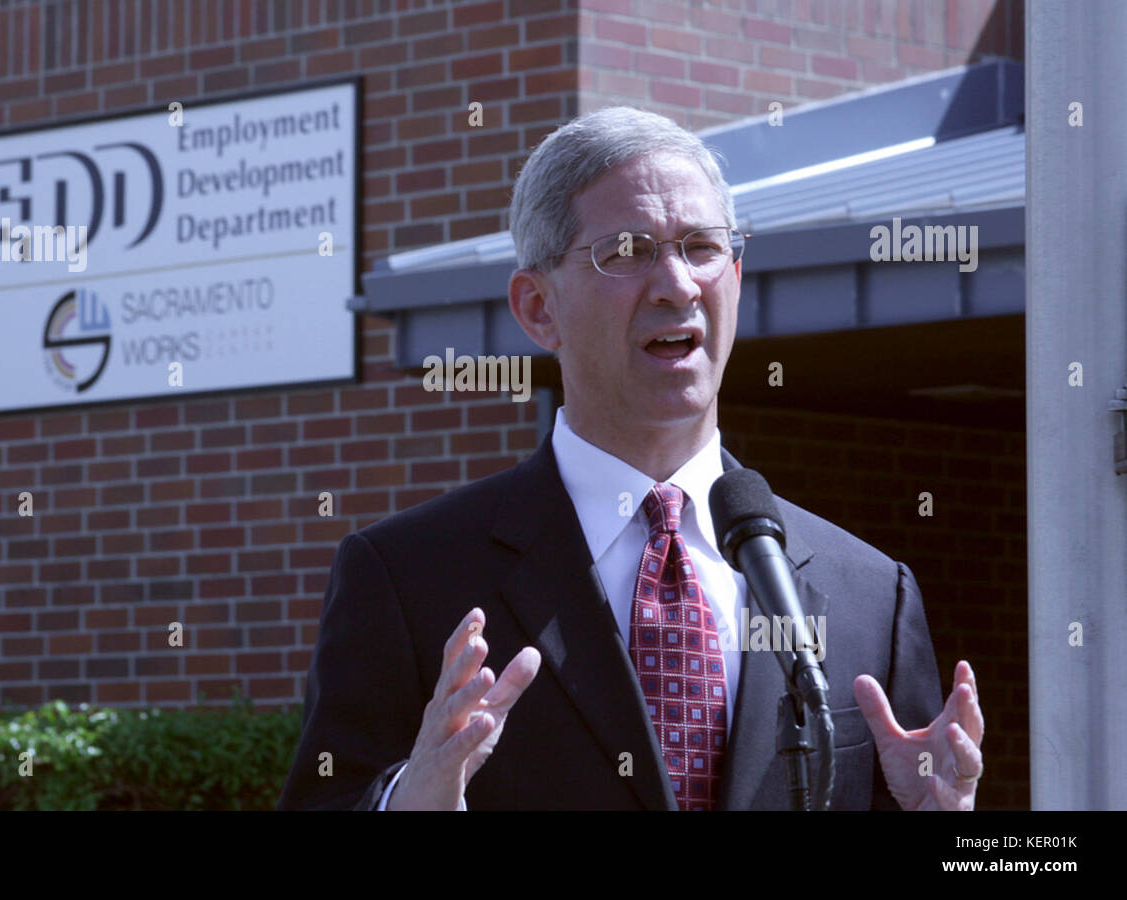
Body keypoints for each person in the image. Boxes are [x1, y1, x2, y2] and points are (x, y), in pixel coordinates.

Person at [278, 107, 984, 811]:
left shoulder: (870, 594)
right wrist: (408, 803)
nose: (677, 285)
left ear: (735, 275)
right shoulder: (406, 577)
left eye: (701, 247)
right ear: (537, 307)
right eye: (628, 251)